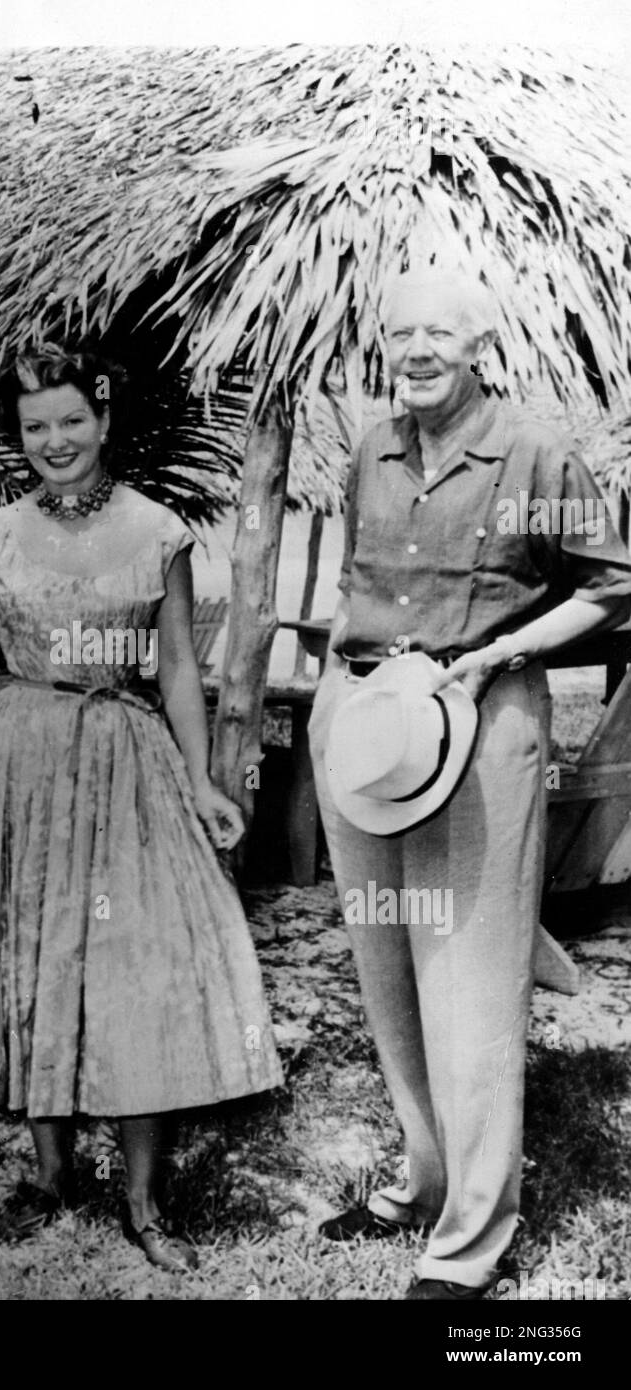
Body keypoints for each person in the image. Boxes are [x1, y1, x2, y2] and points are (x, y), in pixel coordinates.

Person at [0, 344, 284, 1272]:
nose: (55, 441)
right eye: (35, 428)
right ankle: (48, 1175)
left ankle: (143, 1198)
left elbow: (181, 668)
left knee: (135, 964)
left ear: (104, 422)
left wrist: (200, 780)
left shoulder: (157, 531)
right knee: (32, 950)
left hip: (124, 755)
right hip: (18, 756)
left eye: (72, 420)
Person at [309, 267, 631, 1300]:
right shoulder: (372, 446)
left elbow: (613, 583)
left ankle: (473, 1238)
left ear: (480, 346)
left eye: (438, 333)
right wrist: (338, 685)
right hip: (370, 725)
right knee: (389, 966)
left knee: (473, 982)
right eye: (400, 333)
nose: (416, 351)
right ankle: (427, 1176)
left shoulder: (533, 452)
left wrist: (504, 656)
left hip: (479, 724)